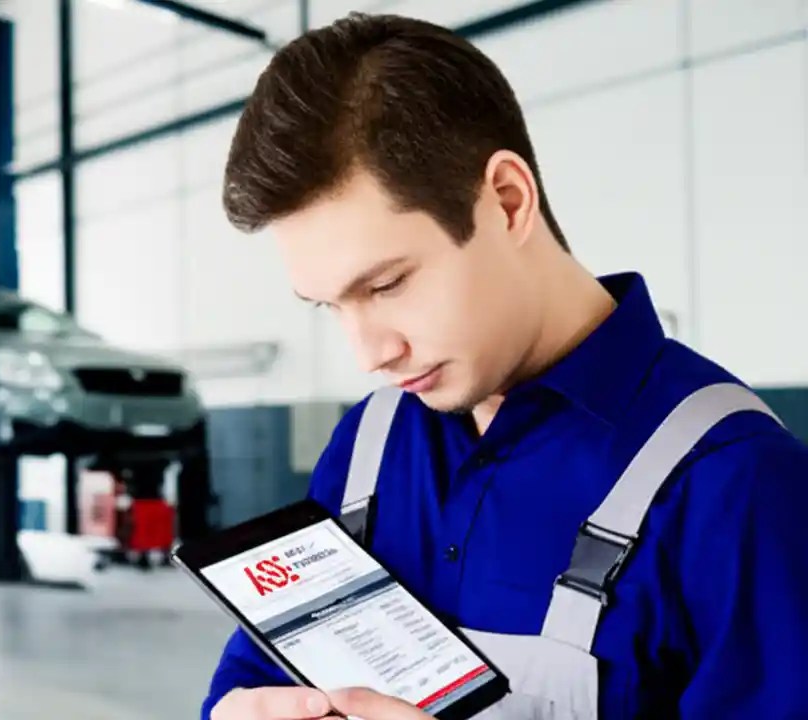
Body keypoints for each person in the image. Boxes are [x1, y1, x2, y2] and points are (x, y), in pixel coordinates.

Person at [202, 12, 808, 720]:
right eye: (327, 305)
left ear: (508, 201)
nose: (368, 353)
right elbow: (251, 674)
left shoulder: (736, 485)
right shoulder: (368, 448)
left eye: (388, 284)